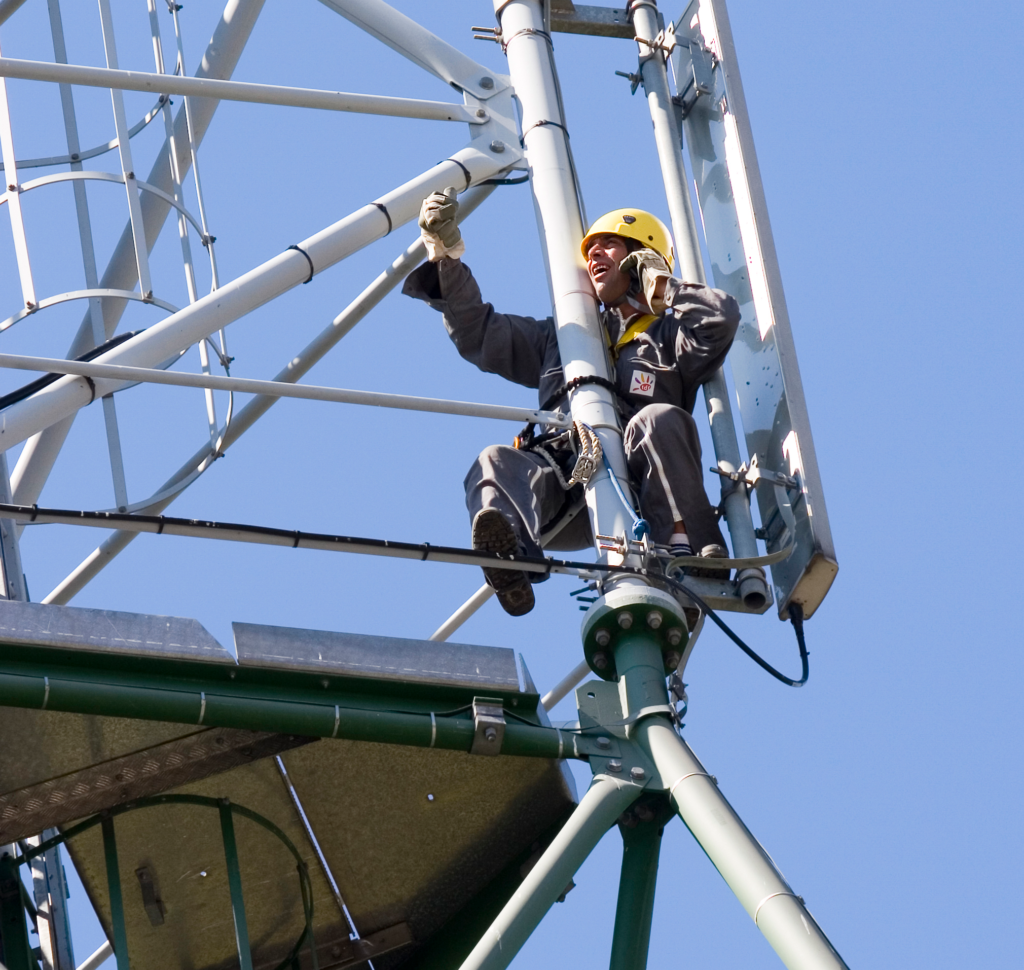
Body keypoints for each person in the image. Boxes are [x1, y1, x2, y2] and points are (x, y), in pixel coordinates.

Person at [403, 190, 740, 616]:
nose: (594, 252)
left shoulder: (669, 335)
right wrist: (445, 258)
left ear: (641, 259)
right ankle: (510, 558)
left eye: (609, 245)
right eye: (591, 248)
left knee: (657, 418)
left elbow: (720, 320)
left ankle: (683, 551)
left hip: (643, 485)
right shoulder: (564, 337)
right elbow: (480, 335)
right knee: (495, 460)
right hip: (564, 478)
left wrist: (661, 286)